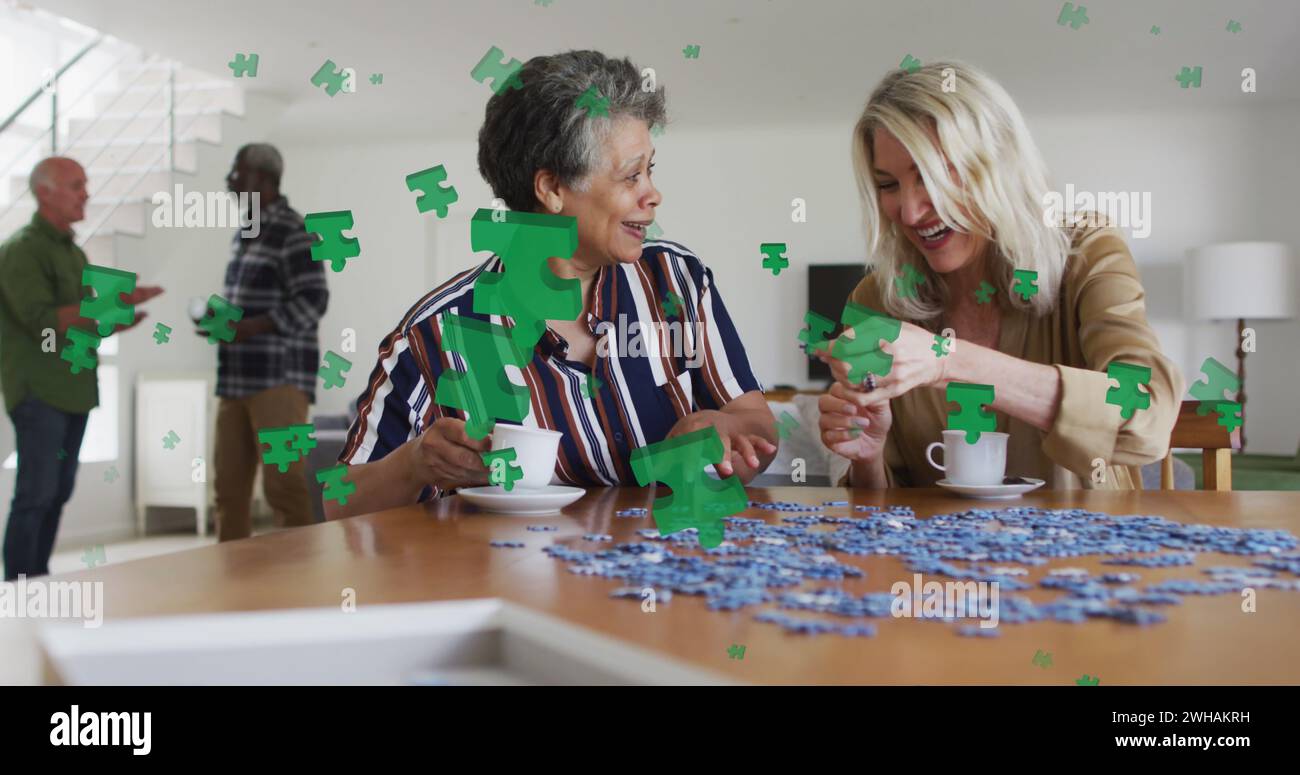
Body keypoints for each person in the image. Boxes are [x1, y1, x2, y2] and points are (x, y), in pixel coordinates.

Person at [327, 50, 776, 519]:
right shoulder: (435, 332)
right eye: (631, 175)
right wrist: (415, 464)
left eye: (651, 170)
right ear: (552, 190)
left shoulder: (679, 281)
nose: (653, 194)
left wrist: (726, 428)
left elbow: (757, 423)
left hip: (673, 577)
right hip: (516, 583)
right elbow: (339, 501)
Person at [817, 61, 1184, 489]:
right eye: (888, 185)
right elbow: (878, 513)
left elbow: (1149, 416)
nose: (911, 211)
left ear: (997, 163)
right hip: (936, 555)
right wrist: (868, 457)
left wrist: (947, 360)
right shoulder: (876, 300)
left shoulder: (1087, 252)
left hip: (1092, 551)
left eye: (933, 176)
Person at [0, 157, 162, 579]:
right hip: (39, 391)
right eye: (76, 185)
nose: (86, 193)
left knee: (57, 493)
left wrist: (121, 314)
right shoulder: (20, 251)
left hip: (75, 389)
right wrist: (112, 303)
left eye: (85, 184)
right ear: (44, 192)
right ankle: (18, 588)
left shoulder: (74, 251)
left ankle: (37, 579)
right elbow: (43, 320)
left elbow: (82, 318)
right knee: (35, 494)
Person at [208, 144, 329, 541]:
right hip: (235, 381)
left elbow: (314, 300)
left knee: (284, 488)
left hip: (279, 382)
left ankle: (295, 587)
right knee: (228, 490)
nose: (230, 181)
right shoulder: (245, 232)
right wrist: (225, 323)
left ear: (262, 179)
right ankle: (233, 584)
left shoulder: (295, 231)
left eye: (237, 173)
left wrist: (253, 327)